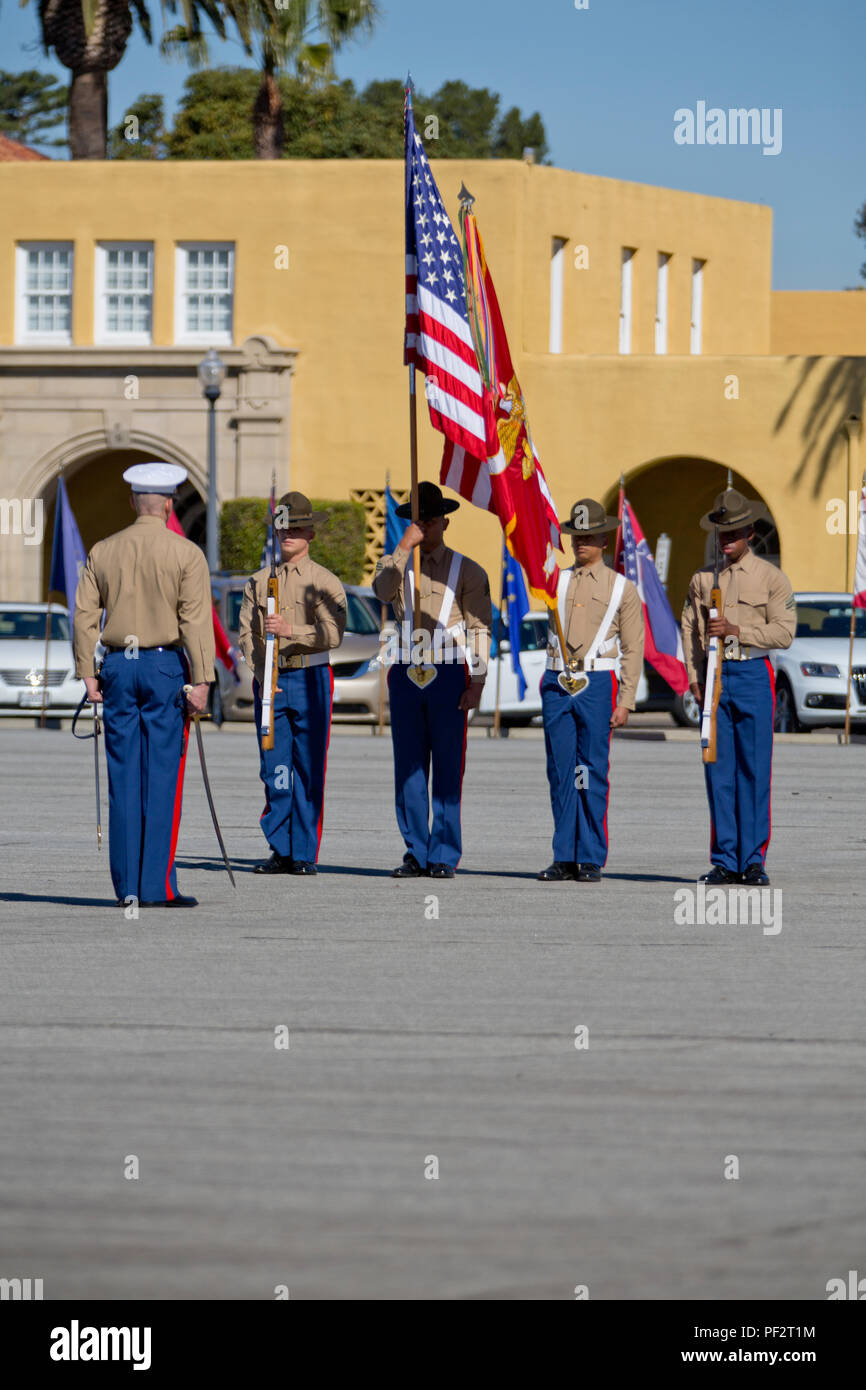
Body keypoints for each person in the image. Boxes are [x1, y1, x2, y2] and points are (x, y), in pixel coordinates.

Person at [73, 462, 215, 908]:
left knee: (123, 779)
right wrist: (203, 680)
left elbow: (84, 616)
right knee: (161, 777)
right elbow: (194, 621)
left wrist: (87, 673)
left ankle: (128, 888)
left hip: (117, 664)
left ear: (133, 502)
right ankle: (157, 887)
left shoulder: (103, 550)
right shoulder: (186, 553)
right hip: (161, 666)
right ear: (169, 505)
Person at [372, 481, 491, 879]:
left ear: (444, 521)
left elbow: (479, 628)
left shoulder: (468, 570)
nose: (426, 524)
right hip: (406, 670)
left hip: (448, 671)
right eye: (418, 519)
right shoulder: (397, 562)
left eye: (431, 519)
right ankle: (416, 851)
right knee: (408, 766)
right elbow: (381, 591)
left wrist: (477, 680)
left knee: (447, 764)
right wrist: (402, 547)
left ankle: (443, 852)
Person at [681, 487, 795, 886]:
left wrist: (737, 631)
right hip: (714, 677)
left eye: (733, 532)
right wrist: (695, 677)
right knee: (718, 771)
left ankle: (753, 860)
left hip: (751, 673)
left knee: (754, 770)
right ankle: (725, 859)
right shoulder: (701, 579)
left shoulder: (771, 578)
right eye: (720, 532)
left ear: (749, 531)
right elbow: (691, 628)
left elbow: (784, 633)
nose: (726, 539)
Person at [238, 491, 346, 876]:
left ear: (310, 533)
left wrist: (290, 630)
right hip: (272, 682)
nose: (289, 533)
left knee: (308, 764)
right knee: (274, 766)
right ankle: (279, 847)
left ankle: (303, 851)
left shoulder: (324, 582)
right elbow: (247, 635)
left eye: (297, 526)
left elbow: (333, 634)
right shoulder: (257, 581)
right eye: (283, 525)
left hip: (311, 676)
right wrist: (262, 673)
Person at [538, 498, 644, 883]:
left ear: (603, 537)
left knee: (591, 770)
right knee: (561, 771)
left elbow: (634, 648)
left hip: (598, 683)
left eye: (588, 536)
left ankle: (590, 856)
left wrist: (626, 700)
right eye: (575, 536)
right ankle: (564, 854)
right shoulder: (555, 581)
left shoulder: (622, 589)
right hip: (557, 680)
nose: (580, 542)